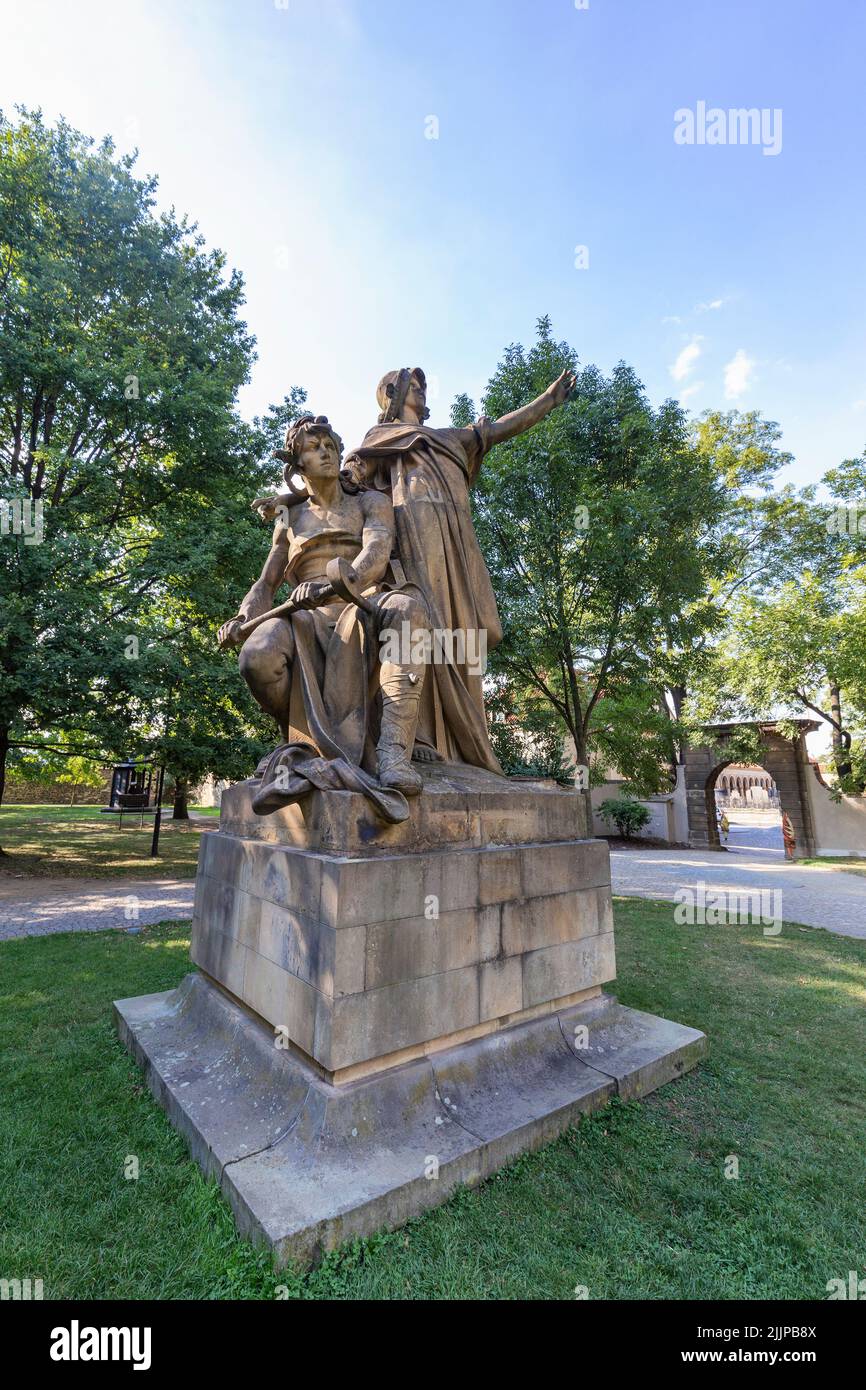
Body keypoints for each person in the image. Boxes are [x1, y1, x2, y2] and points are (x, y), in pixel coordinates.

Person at [345, 366, 576, 773]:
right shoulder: (379, 440)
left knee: (464, 629)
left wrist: (548, 401)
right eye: (412, 386)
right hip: (411, 531)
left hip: (457, 541)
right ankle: (418, 735)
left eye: (422, 386)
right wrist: (290, 499)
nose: (420, 391)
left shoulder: (449, 438)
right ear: (391, 395)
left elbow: (502, 427)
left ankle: (465, 738)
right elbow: (346, 480)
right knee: (424, 620)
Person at [218, 415, 430, 821]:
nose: (326, 452)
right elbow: (267, 581)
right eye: (314, 448)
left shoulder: (370, 502)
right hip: (302, 613)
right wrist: (243, 617)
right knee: (256, 655)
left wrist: (338, 582)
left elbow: (376, 553)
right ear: (298, 466)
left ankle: (393, 754)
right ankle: (299, 739)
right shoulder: (290, 519)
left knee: (407, 609)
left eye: (330, 444)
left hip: (360, 599)